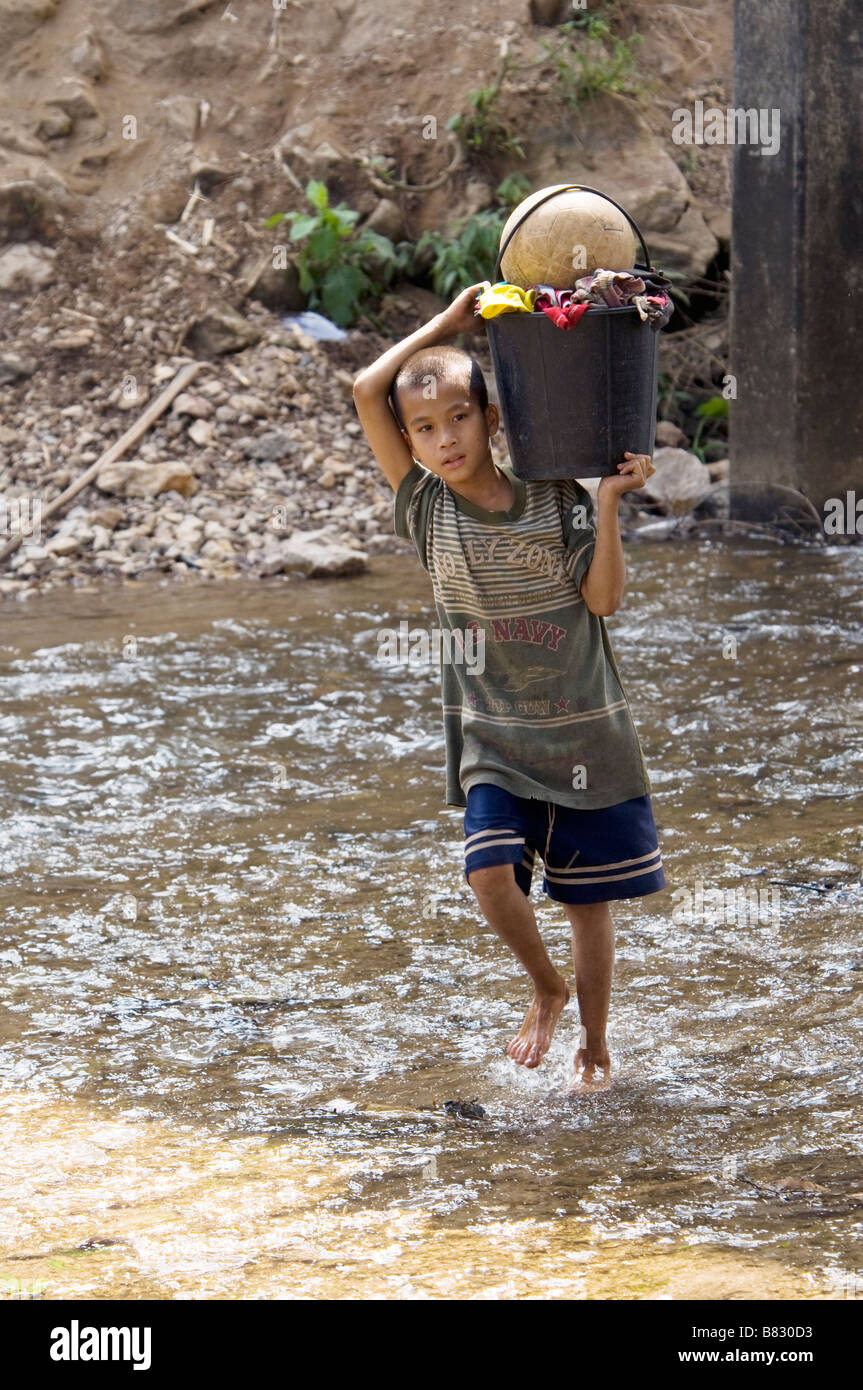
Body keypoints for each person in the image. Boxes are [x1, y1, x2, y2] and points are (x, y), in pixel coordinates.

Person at [352, 282, 666, 1092]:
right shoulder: (422, 507)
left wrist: (605, 506)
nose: (443, 439)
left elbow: (601, 601)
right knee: (488, 875)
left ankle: (595, 1044)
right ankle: (545, 987)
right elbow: (364, 389)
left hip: (584, 732)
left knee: (585, 903)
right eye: (423, 428)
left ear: (491, 421)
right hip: (493, 735)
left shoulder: (550, 495)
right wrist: (450, 324)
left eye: (459, 417)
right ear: (410, 444)